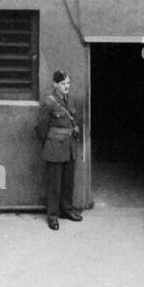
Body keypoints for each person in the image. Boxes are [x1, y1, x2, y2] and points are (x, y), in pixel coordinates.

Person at [34, 70, 82, 231]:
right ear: (55, 84)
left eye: (68, 83)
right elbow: (40, 127)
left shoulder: (71, 100)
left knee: (68, 182)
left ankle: (66, 210)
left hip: (69, 147)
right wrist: (49, 144)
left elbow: (74, 120)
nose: (66, 86)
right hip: (54, 148)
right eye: (63, 84)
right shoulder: (48, 103)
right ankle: (53, 216)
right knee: (54, 184)